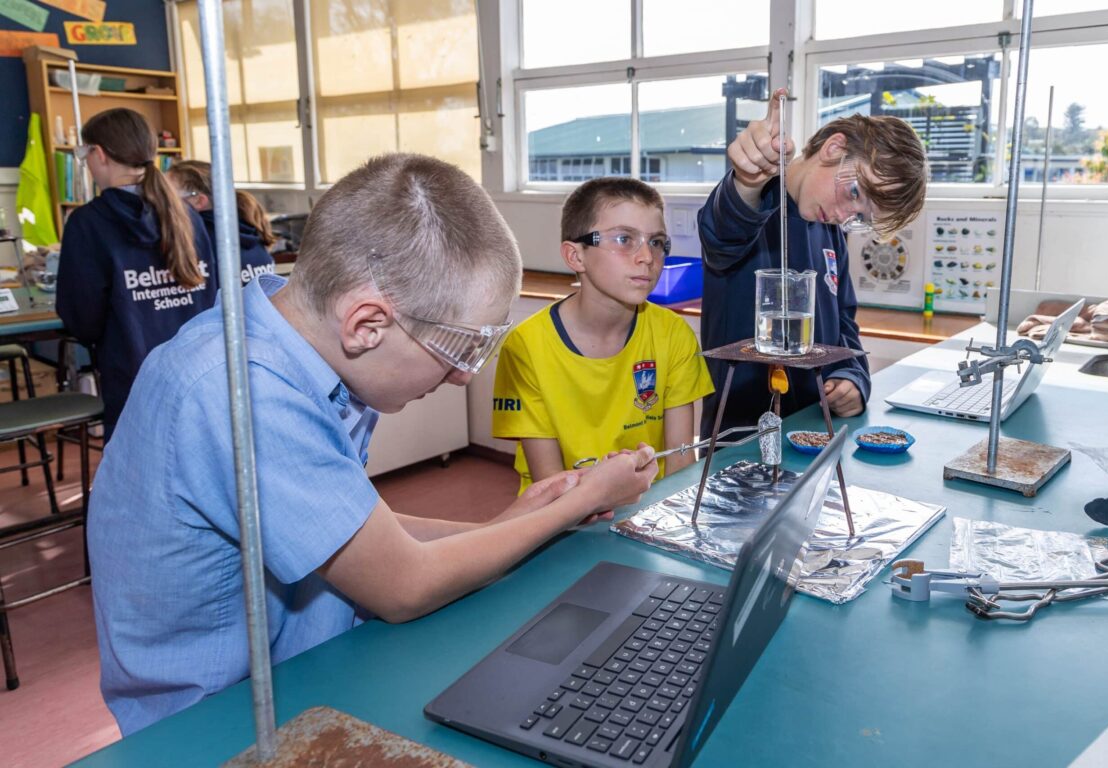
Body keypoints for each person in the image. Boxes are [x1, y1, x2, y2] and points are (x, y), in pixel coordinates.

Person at [87, 153, 659, 736]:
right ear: (366, 325)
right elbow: (403, 584)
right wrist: (575, 503)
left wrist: (516, 518)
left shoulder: (309, 344)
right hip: (224, 724)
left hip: (317, 663)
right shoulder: (241, 393)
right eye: (460, 348)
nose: (463, 376)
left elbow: (357, 526)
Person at [698, 89, 928, 434]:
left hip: (811, 430)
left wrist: (852, 378)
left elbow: (844, 323)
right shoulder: (757, 200)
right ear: (833, 148)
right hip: (739, 434)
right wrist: (748, 180)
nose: (845, 215)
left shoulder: (831, 232)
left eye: (860, 217)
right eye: (854, 193)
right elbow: (722, 233)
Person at [492, 177, 714, 493]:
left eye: (656, 242)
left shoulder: (674, 334)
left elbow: (680, 464)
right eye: (624, 239)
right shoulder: (526, 347)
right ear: (575, 256)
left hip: (652, 506)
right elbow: (550, 485)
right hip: (563, 512)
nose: (647, 257)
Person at [55, 108, 217, 439]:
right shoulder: (188, 215)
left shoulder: (88, 224)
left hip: (133, 380)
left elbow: (81, 319)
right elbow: (210, 296)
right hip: (199, 374)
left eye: (85, 154)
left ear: (100, 154)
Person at [166, 159, 276, 284]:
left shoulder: (198, 239)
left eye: (167, 196)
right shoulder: (249, 227)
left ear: (199, 201)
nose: (161, 202)